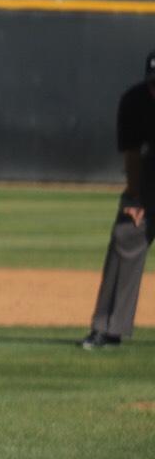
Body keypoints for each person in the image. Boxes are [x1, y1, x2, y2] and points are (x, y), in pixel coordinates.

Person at [80, 49, 155, 348]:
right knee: (127, 234)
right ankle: (108, 327)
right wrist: (135, 199)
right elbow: (133, 154)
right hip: (149, 172)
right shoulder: (135, 101)